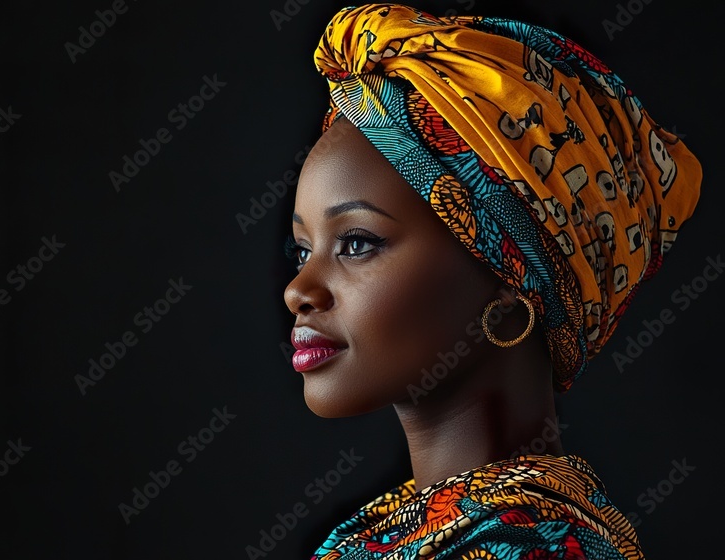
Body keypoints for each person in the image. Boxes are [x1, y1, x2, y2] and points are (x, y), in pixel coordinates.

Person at [281, 4, 701, 558]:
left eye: (357, 243)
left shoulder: (529, 546)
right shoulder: (408, 531)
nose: (297, 291)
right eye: (303, 249)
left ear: (509, 287)